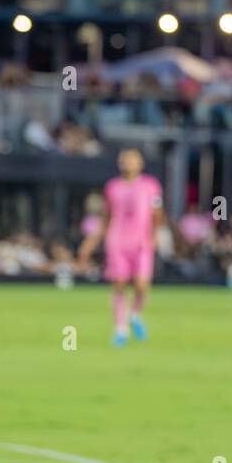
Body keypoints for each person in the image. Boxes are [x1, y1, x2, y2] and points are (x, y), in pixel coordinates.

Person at [77, 148, 164, 346]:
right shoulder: (112, 187)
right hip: (117, 241)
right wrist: (90, 244)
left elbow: (157, 214)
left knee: (142, 285)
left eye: (132, 161)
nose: (128, 164)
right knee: (119, 284)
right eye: (125, 161)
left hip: (141, 242)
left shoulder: (151, 186)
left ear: (140, 164)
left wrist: (155, 235)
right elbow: (106, 218)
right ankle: (120, 328)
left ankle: (135, 314)